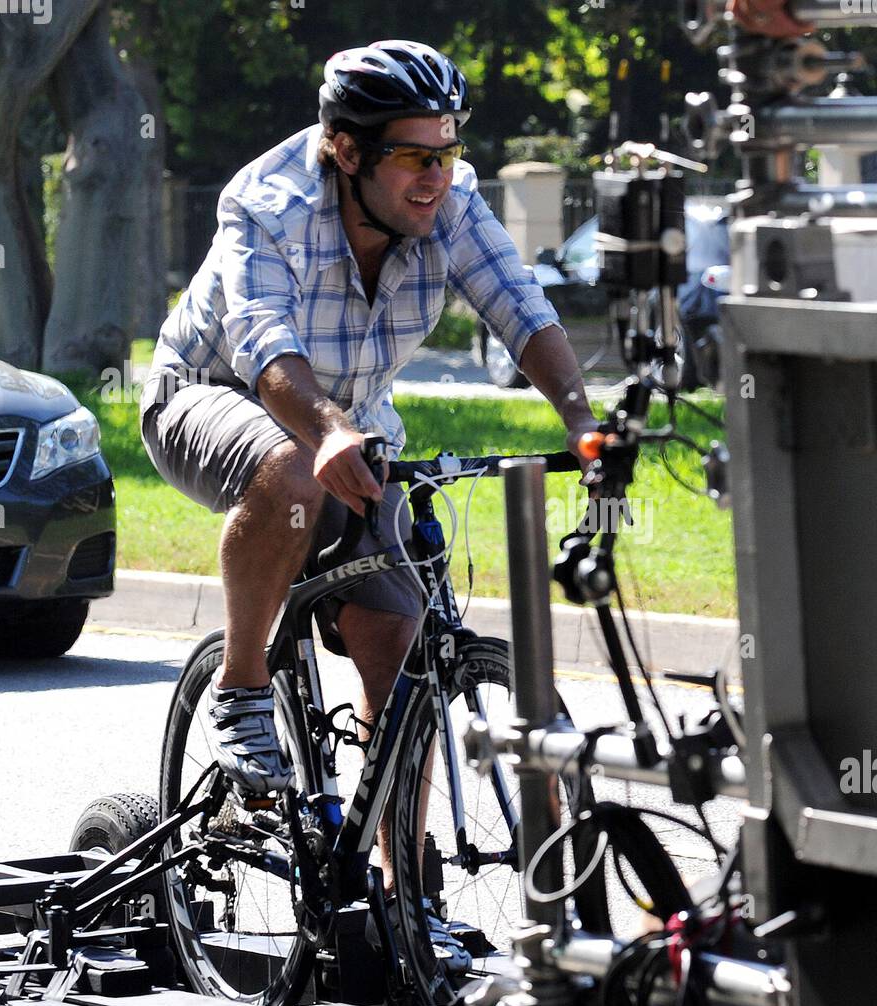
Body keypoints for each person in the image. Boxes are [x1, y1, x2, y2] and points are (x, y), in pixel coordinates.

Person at [139, 42, 596, 842]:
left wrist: (583, 422)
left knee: (399, 650)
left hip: (349, 422)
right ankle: (243, 689)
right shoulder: (266, 202)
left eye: (449, 151)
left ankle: (402, 902)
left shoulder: (448, 202)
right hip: (211, 395)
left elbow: (520, 307)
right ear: (346, 151)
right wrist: (323, 431)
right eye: (415, 155)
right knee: (288, 469)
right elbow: (263, 344)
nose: (438, 175)